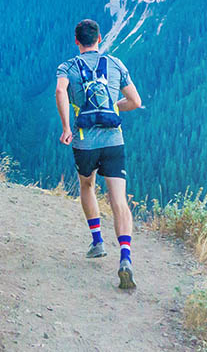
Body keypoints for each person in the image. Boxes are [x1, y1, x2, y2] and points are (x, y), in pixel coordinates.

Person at [55, 19, 143, 289]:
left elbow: (60, 90)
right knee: (119, 200)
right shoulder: (115, 64)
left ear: (76, 41)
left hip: (85, 142)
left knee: (87, 185)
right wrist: (113, 107)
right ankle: (125, 258)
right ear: (100, 38)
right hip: (114, 141)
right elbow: (135, 101)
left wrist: (66, 127)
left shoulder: (67, 67)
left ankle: (97, 242)